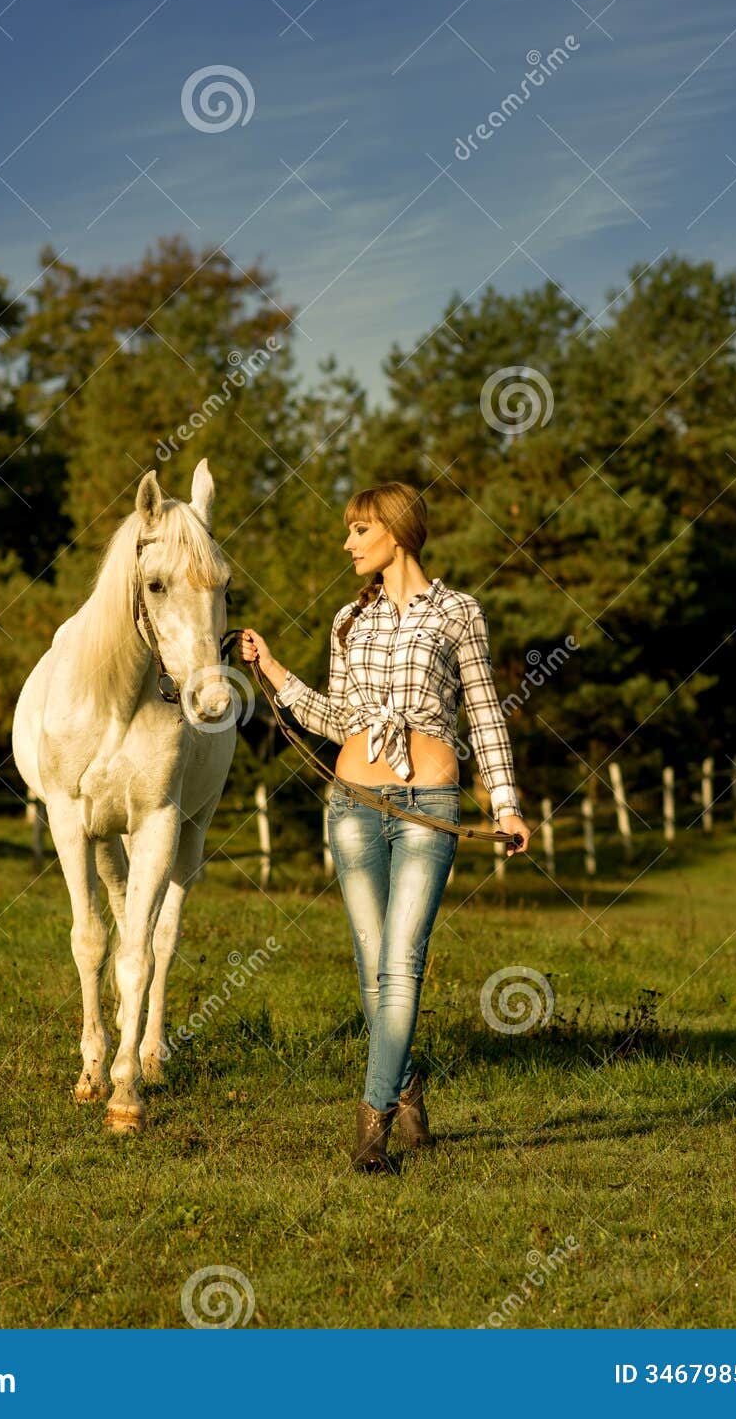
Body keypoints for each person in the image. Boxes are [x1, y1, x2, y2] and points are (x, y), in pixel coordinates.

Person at [240, 482, 530, 1172]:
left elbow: (484, 713)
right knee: (372, 969)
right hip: (352, 807)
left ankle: (371, 1128)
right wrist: (271, 668)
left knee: (402, 964)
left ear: (396, 532)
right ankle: (405, 1087)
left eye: (359, 530)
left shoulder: (458, 612)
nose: (347, 543)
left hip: (427, 807)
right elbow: (337, 719)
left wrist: (507, 801)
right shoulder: (348, 621)